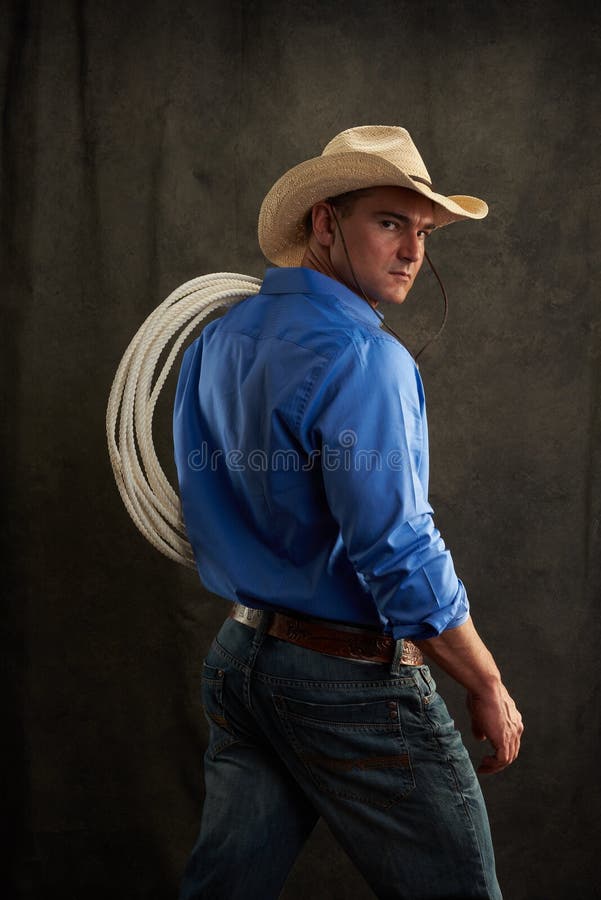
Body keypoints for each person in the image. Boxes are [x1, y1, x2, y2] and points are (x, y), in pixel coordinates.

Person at [173, 125, 523, 900]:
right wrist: (485, 680)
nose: (411, 252)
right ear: (325, 224)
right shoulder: (366, 358)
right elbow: (396, 547)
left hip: (240, 661)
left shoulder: (215, 341)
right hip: (344, 677)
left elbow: (202, 487)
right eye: (389, 222)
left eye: (422, 231)